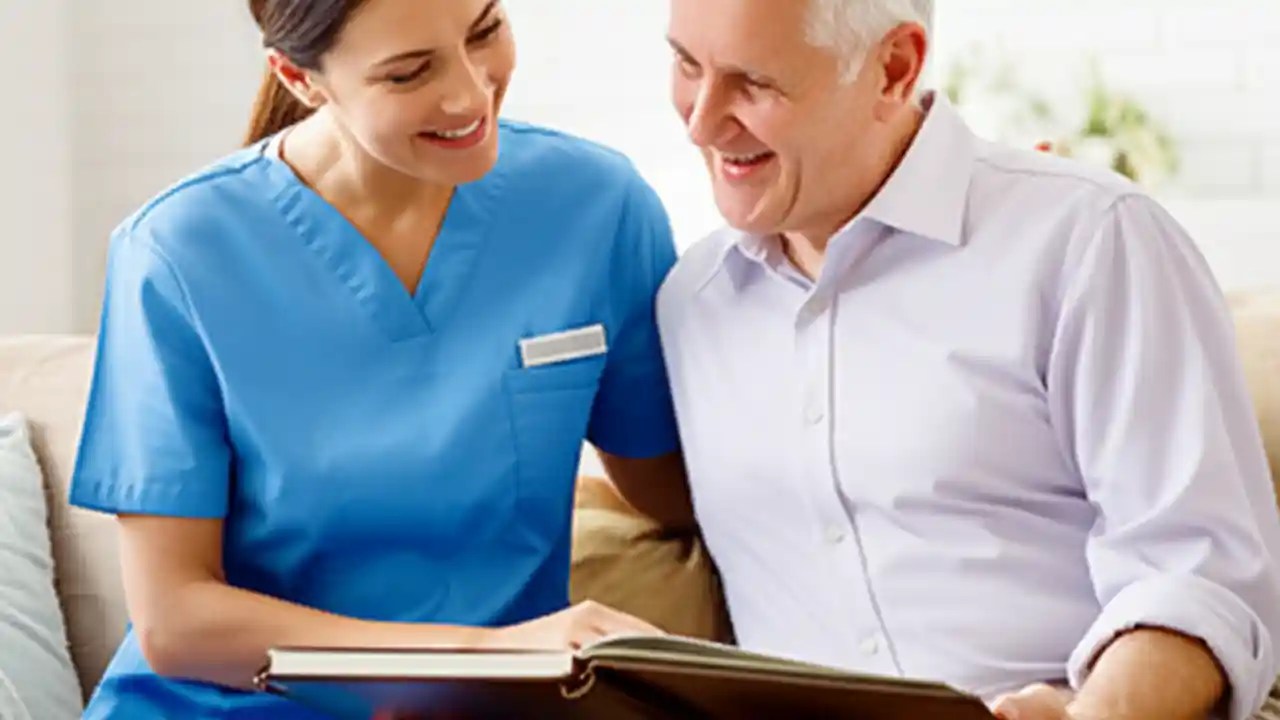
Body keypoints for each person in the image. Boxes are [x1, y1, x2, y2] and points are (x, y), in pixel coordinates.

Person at [67, 0, 695, 716]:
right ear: (300, 78)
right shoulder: (179, 252)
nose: (469, 92)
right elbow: (176, 622)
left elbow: (676, 489)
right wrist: (494, 655)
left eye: (484, 30)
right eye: (408, 73)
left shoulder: (595, 208)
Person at [654, 1, 1280, 719]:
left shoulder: (1087, 242)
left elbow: (1201, 578)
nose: (700, 121)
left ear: (894, 68)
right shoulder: (692, 305)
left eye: (754, 83)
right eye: (686, 65)